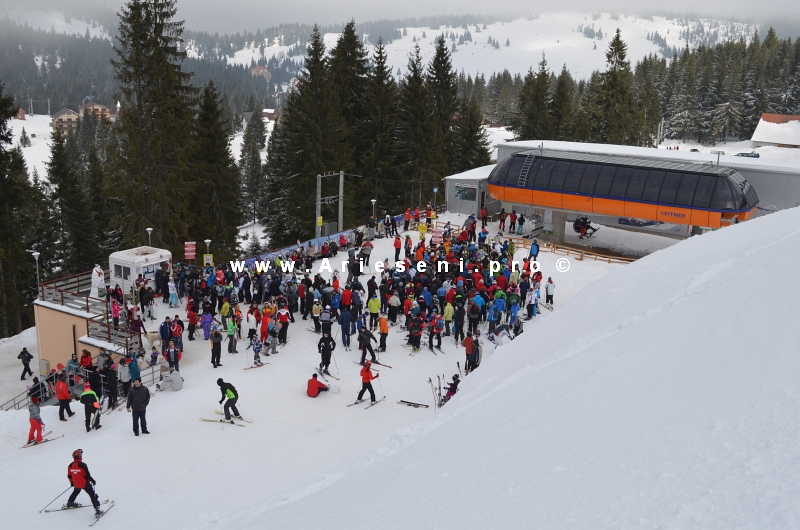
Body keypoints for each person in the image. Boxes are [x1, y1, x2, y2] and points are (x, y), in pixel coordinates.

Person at [66, 449, 103, 515]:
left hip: (76, 483)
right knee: (92, 495)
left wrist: (72, 483)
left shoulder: (70, 465)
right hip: (84, 483)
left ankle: (70, 502)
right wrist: (92, 480)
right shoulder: (82, 465)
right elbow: (87, 475)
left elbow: (69, 476)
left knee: (76, 492)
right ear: (80, 456)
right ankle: (97, 509)